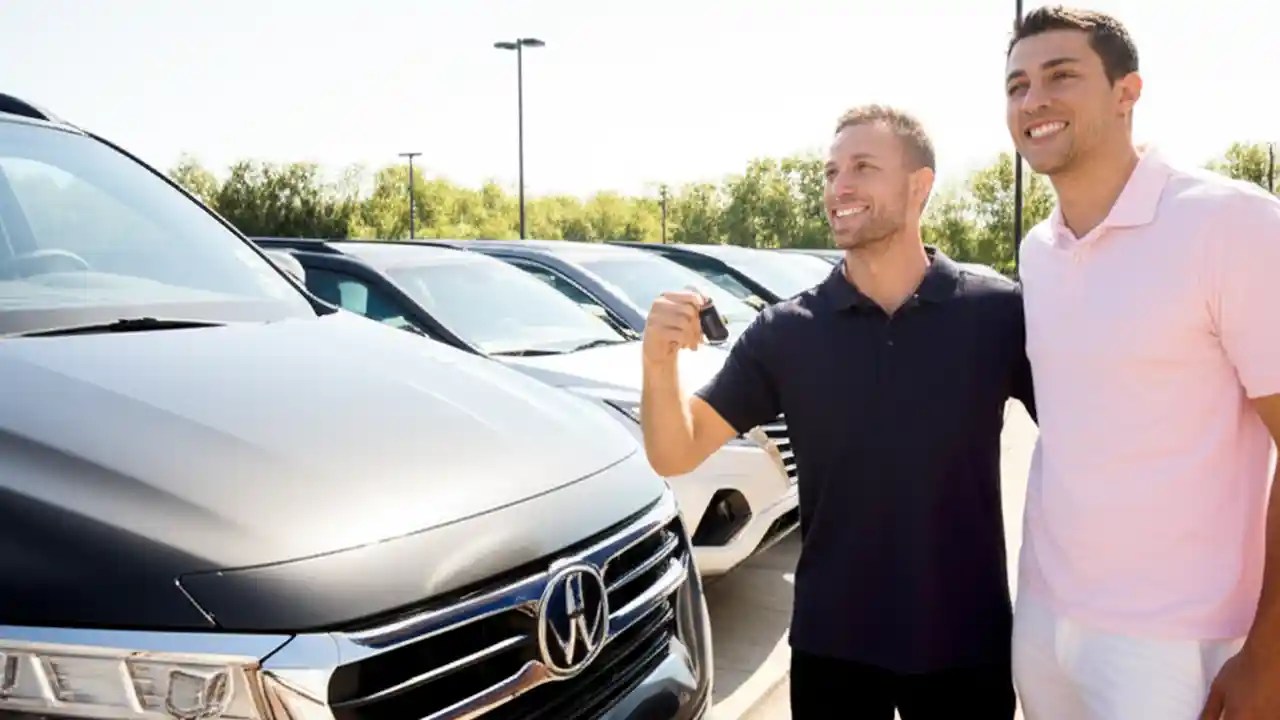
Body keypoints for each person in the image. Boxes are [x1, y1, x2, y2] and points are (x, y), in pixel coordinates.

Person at [639, 104, 1035, 718]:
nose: (838, 187)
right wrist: (657, 363)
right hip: (834, 649)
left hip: (966, 644)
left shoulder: (996, 314)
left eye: (862, 167)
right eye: (831, 172)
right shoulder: (787, 332)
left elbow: (1090, 440)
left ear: (920, 186)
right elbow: (675, 450)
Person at [1004, 7, 1280, 719]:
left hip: (1176, 645)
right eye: (1018, 85)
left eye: (1061, 75)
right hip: (1044, 621)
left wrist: (1270, 654)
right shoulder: (1038, 251)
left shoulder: (1231, 222)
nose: (1034, 100)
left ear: (1127, 92)